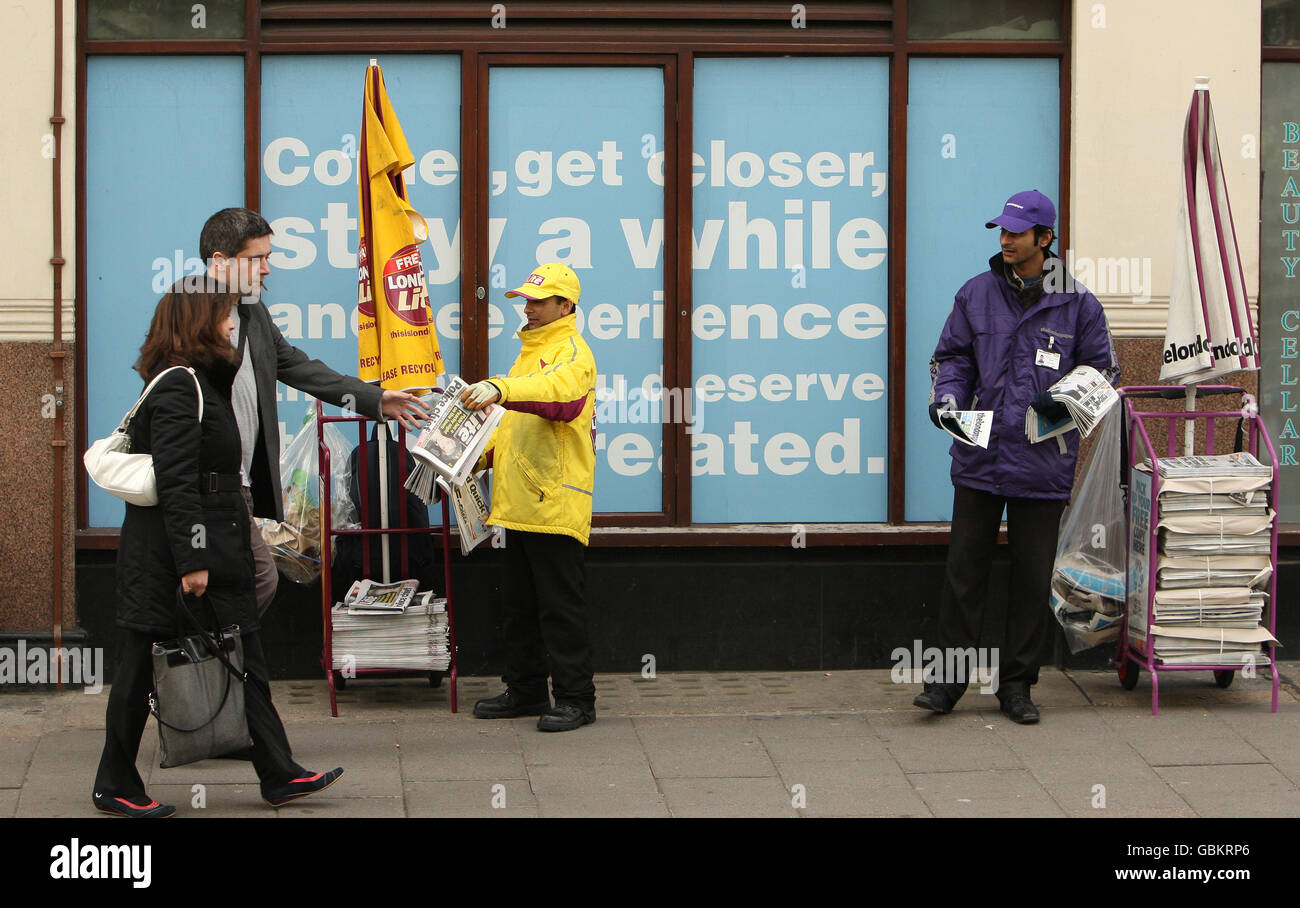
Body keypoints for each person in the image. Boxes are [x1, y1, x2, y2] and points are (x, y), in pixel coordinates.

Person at [92, 285, 342, 816]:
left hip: (214, 550)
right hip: (173, 558)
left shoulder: (205, 382)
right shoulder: (181, 388)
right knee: (139, 668)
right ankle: (115, 782)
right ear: (199, 325)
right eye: (226, 319)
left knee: (247, 658)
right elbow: (180, 484)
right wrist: (196, 561)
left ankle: (279, 773)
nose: (234, 328)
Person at [917, 189, 1120, 725]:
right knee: (964, 574)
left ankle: (1017, 687)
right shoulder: (976, 294)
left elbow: (1103, 375)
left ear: (1045, 239)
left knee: (1031, 580)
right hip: (979, 458)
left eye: (1016, 232)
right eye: (1001, 231)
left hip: (1042, 465)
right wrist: (948, 400)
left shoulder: (1079, 304)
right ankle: (944, 686)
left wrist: (1061, 408)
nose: (1005, 239)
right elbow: (952, 357)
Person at [200, 207, 430, 615]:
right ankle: (210, 667)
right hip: (204, 487)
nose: (267, 270)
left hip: (239, 486)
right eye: (256, 259)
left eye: (268, 257)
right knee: (246, 582)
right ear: (219, 262)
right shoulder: (189, 317)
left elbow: (298, 367)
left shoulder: (253, 313)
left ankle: (221, 666)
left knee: (251, 582)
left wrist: (375, 399)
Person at [458, 263, 599, 732]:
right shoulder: (529, 354)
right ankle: (526, 689)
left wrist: (499, 387)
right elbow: (517, 427)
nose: (529, 308)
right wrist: (472, 461)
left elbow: (557, 399)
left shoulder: (574, 354)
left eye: (540, 301)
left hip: (555, 505)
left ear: (566, 306)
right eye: (527, 300)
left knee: (560, 608)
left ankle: (578, 699)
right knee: (519, 606)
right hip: (521, 504)